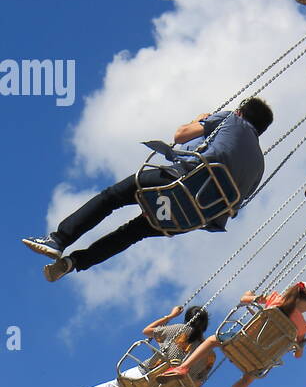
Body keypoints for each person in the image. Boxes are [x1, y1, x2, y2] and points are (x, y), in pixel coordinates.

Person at [23, 98, 273, 281]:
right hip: (190, 217)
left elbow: (181, 135)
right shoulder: (260, 168)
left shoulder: (230, 119)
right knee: (133, 232)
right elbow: (235, 208)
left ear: (241, 112)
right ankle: (75, 262)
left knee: (112, 197)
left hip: (177, 183)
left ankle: (59, 240)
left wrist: (198, 120)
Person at [160, 282, 306, 387]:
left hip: (240, 343)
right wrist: (301, 345)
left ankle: (183, 368)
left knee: (212, 340)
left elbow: (244, 299)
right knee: (248, 378)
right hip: (259, 360)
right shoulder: (304, 327)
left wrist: (253, 295)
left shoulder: (275, 299)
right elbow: (297, 355)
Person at [51, 305, 212, 387]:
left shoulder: (178, 329)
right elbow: (195, 386)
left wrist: (170, 316)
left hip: (143, 376)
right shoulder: (209, 355)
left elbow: (147, 331)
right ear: (205, 327)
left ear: (187, 319)